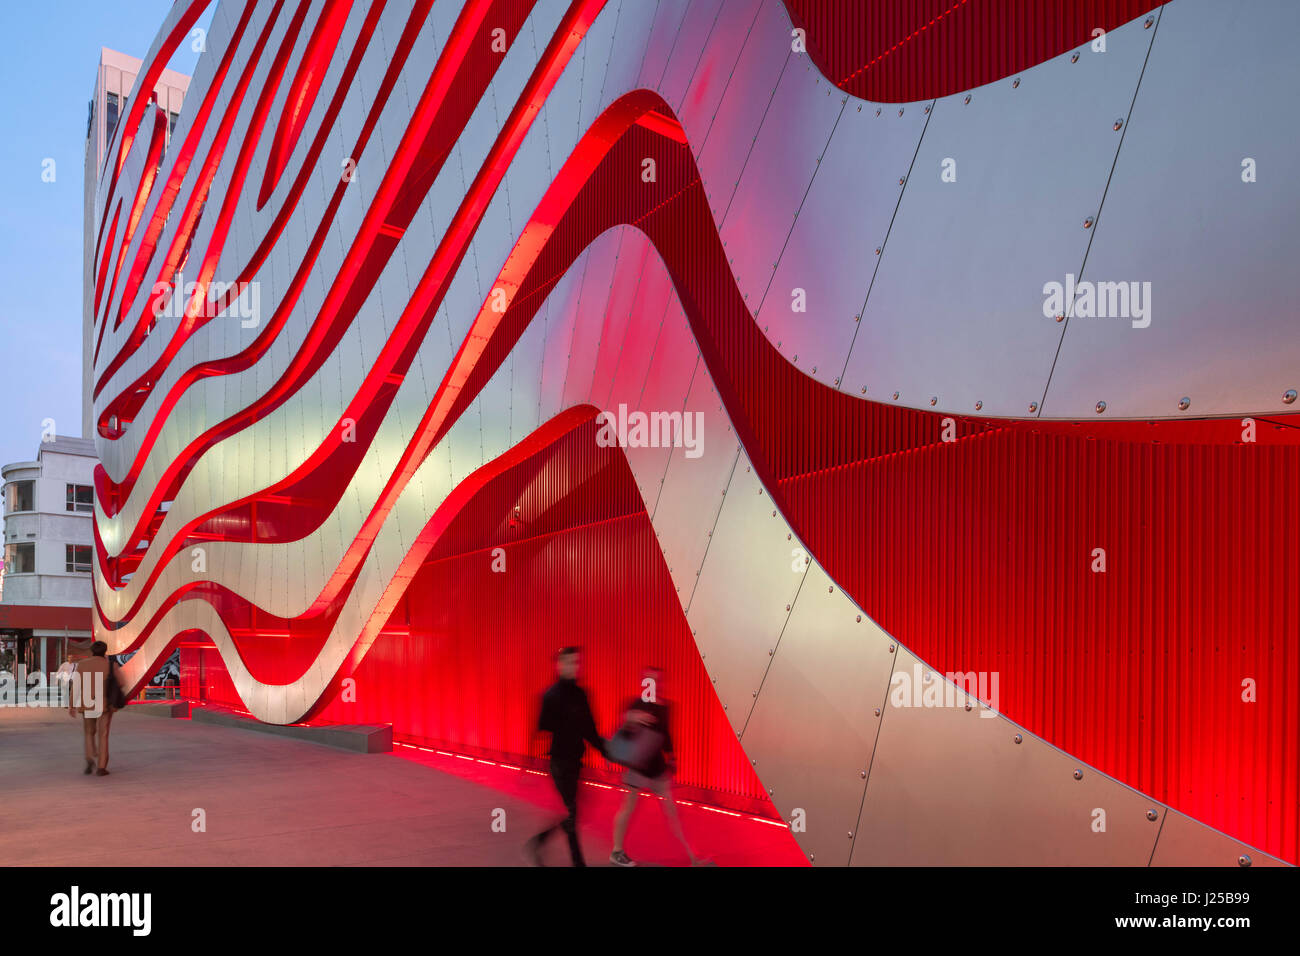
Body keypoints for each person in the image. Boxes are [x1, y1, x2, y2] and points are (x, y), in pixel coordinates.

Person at [609, 666, 706, 866]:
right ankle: (616, 851)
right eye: (649, 680)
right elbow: (621, 733)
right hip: (637, 768)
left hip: (657, 770)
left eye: (656, 680)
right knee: (627, 809)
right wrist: (630, 720)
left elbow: (666, 735)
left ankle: (693, 857)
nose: (653, 684)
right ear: (644, 683)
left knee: (673, 812)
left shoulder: (664, 707)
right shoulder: (635, 704)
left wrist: (672, 758)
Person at [525, 647, 606, 866]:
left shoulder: (581, 694)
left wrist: (606, 751)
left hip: (576, 762)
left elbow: (589, 729)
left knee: (572, 812)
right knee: (571, 811)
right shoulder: (551, 695)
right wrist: (534, 763)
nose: (574, 667)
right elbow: (542, 730)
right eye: (569, 662)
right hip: (559, 763)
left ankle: (540, 840)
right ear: (559, 665)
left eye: (577, 662)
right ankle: (578, 862)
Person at [67, 641, 124, 776]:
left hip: (87, 703)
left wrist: (72, 705)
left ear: (91, 650)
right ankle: (101, 767)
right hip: (104, 704)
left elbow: (76, 686)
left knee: (88, 732)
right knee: (103, 734)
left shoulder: (82, 664)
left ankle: (89, 758)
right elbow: (121, 683)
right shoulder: (111, 665)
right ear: (105, 651)